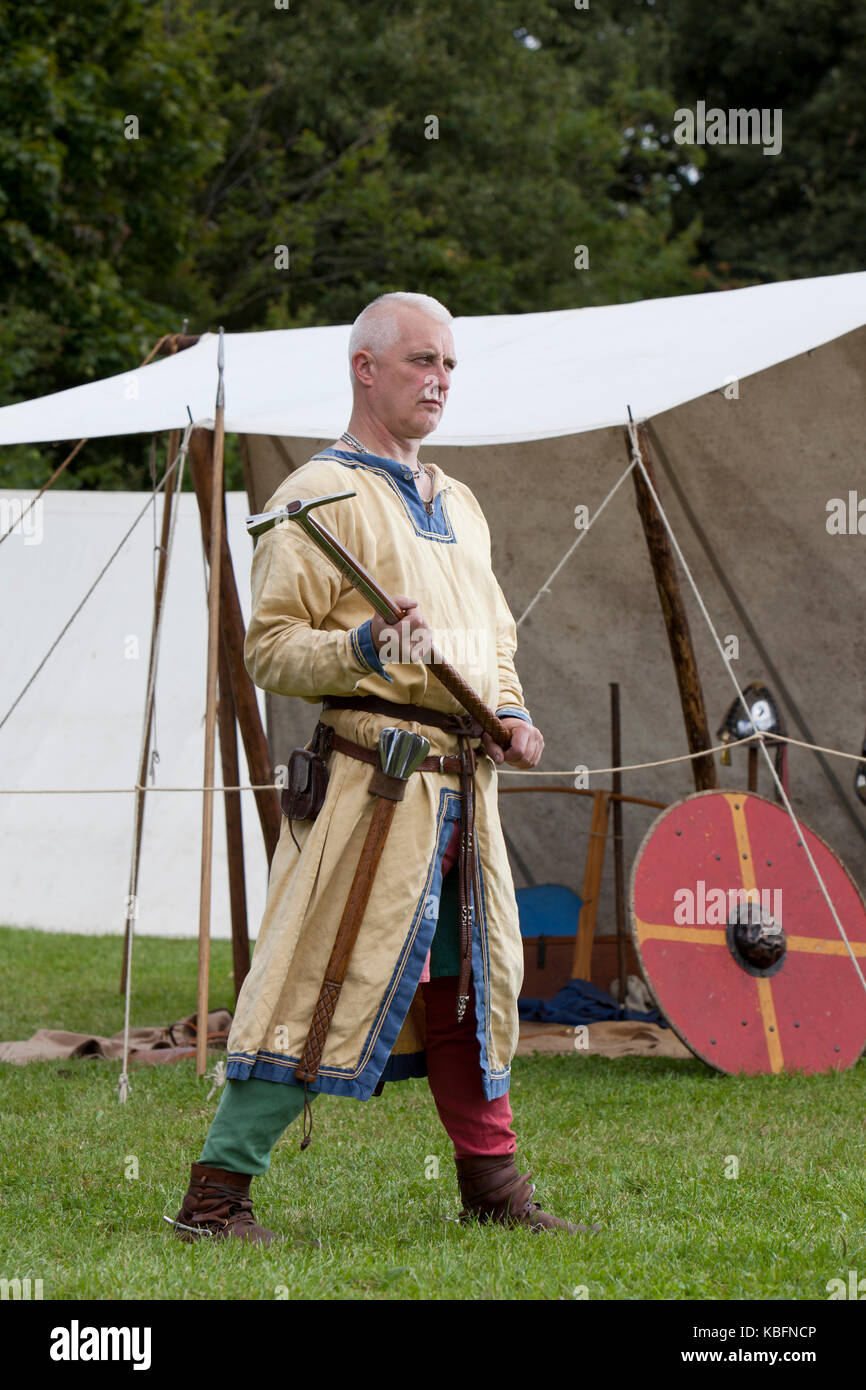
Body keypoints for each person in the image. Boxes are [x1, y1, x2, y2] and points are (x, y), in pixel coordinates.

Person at [171, 292, 598, 1243]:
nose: (440, 380)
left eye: (449, 365)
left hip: (463, 793)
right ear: (365, 368)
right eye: (420, 362)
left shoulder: (464, 504)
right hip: (376, 787)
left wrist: (514, 715)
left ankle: (493, 1187)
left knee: (470, 986)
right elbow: (272, 650)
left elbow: (497, 643)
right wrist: (365, 642)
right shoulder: (314, 498)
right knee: (314, 980)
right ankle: (215, 1199)